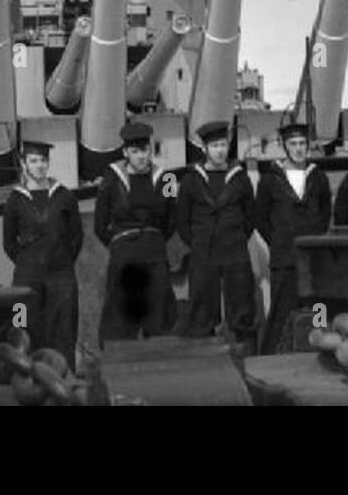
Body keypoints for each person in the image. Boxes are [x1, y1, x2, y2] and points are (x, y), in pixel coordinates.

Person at [176, 120, 257, 348]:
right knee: (202, 308)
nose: (220, 151)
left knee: (242, 306)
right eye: (215, 146)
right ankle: (206, 360)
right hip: (204, 252)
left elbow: (251, 216)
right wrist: (199, 242)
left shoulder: (240, 177)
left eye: (223, 145)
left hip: (235, 250)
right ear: (205, 149)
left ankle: (248, 355)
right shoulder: (191, 179)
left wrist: (237, 237)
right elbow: (181, 220)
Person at [94, 121, 177, 343]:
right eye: (135, 151)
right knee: (121, 319)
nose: (141, 156)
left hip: (155, 256)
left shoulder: (166, 178)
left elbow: (171, 219)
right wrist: (121, 243)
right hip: (125, 258)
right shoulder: (111, 178)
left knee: (158, 317)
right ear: (125, 152)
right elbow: (100, 224)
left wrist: (153, 240)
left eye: (145, 150)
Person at [2, 140, 82, 362]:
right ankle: (28, 377)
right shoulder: (15, 199)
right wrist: (27, 263)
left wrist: (62, 261)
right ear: (24, 163)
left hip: (61, 275)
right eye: (34, 161)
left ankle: (65, 377)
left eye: (43, 160)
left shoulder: (64, 196)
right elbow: (8, 243)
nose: (39, 165)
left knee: (63, 329)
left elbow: (76, 237)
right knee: (25, 327)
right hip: (27, 277)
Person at [255, 120, 331, 354]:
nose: (298, 148)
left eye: (302, 143)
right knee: (281, 307)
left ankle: (320, 346)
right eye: (293, 143)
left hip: (312, 256)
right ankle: (274, 352)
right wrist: (280, 239)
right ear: (284, 146)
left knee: (317, 305)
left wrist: (313, 238)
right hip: (284, 256)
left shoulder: (318, 177)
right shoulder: (270, 180)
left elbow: (325, 214)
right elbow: (261, 218)